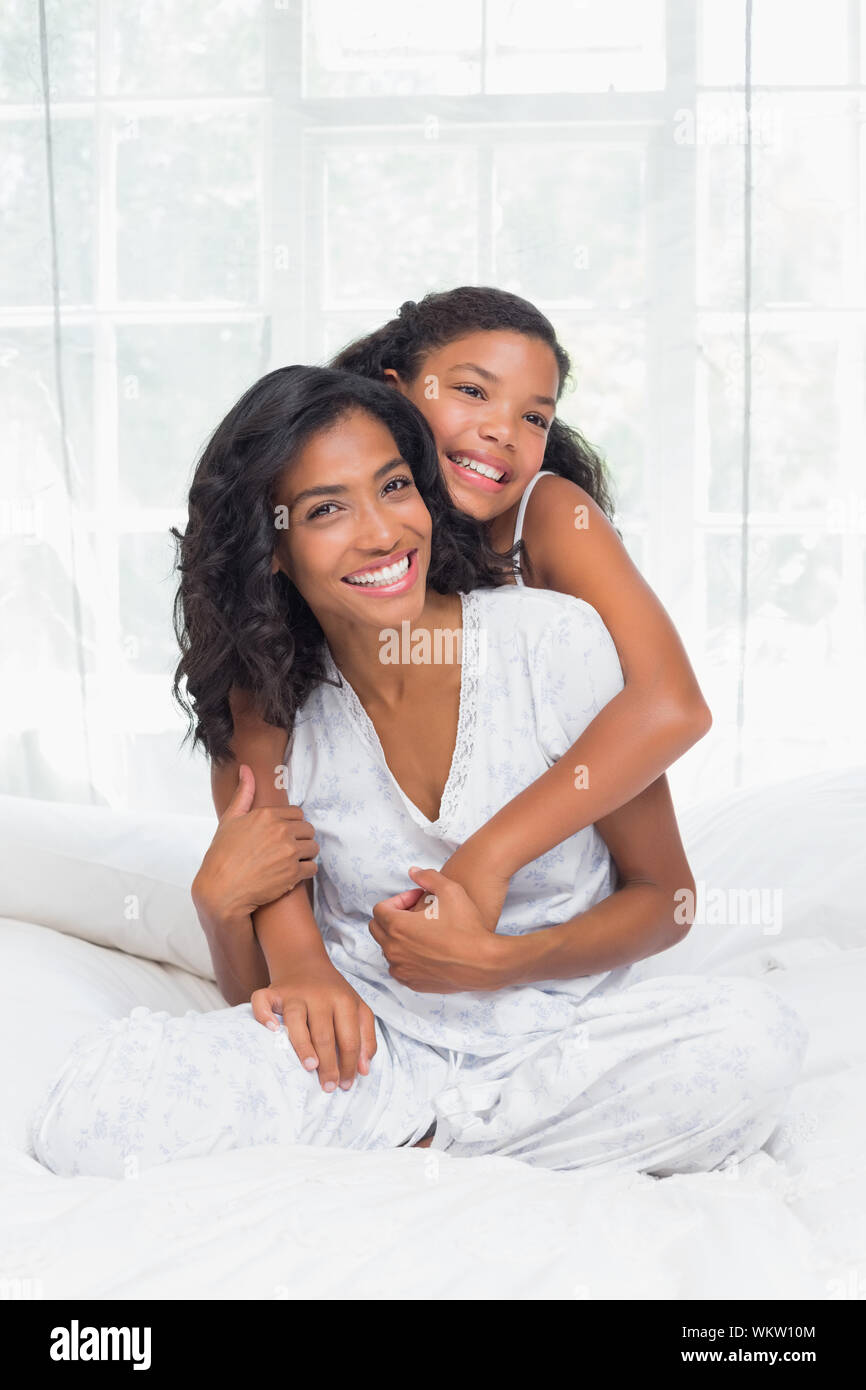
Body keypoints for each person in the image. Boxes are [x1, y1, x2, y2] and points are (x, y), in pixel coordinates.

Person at [30, 367, 808, 1179]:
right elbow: (281, 998)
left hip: (565, 1043)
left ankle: (421, 1153)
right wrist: (221, 910)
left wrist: (504, 961)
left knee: (752, 1039)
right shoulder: (268, 707)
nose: (381, 533)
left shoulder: (553, 644)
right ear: (272, 552)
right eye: (327, 509)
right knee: (96, 1116)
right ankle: (463, 1148)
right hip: (376, 1055)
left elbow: (665, 902)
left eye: (393, 487)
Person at [198, 286, 714, 1090]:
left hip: (543, 962)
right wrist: (283, 948)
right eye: (472, 391)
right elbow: (264, 817)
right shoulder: (297, 573)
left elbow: (670, 706)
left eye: (536, 417)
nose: (503, 431)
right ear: (393, 392)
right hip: (390, 993)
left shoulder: (547, 526)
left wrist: (486, 863)